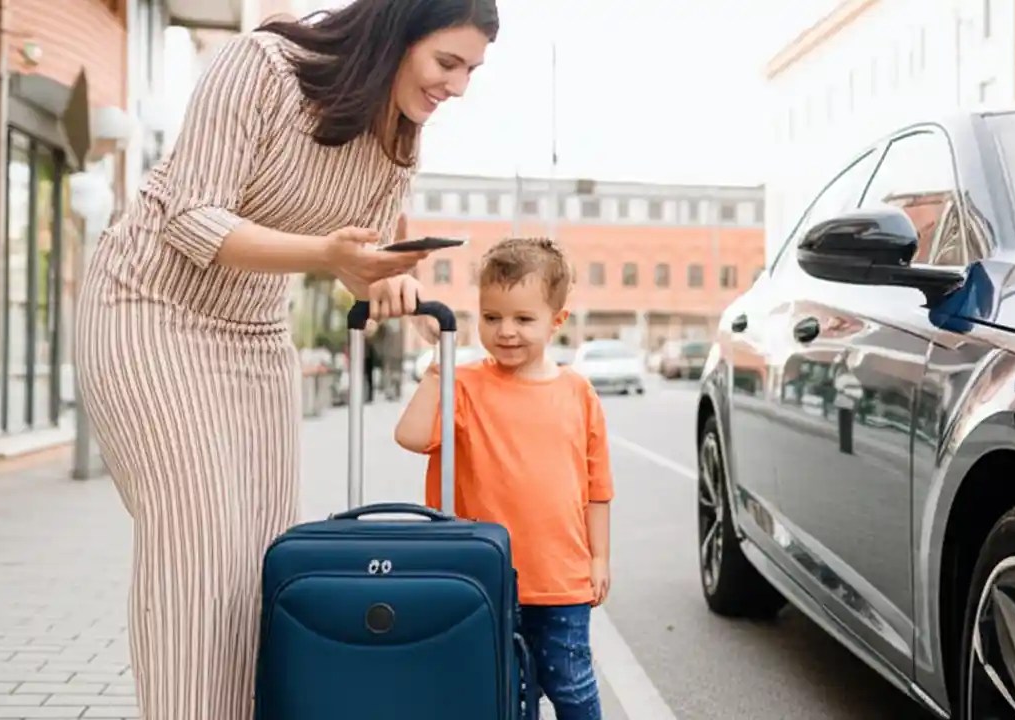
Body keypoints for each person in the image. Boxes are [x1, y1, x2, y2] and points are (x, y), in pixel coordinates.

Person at [72, 1, 499, 718]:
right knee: (197, 546)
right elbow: (188, 216)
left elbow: (362, 251)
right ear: (395, 33)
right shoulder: (262, 67)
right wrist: (325, 256)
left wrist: (389, 275)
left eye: (471, 72)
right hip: (149, 308)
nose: (456, 88)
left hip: (256, 330)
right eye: (446, 64)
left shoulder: (401, 134)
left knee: (260, 563)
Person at [394, 237, 613, 720]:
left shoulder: (578, 392)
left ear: (557, 321)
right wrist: (438, 372)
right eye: (491, 318)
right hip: (485, 578)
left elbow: (598, 488)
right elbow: (410, 435)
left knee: (571, 685)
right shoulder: (465, 384)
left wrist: (599, 558)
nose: (506, 331)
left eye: (523, 319)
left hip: (560, 581)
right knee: (508, 694)